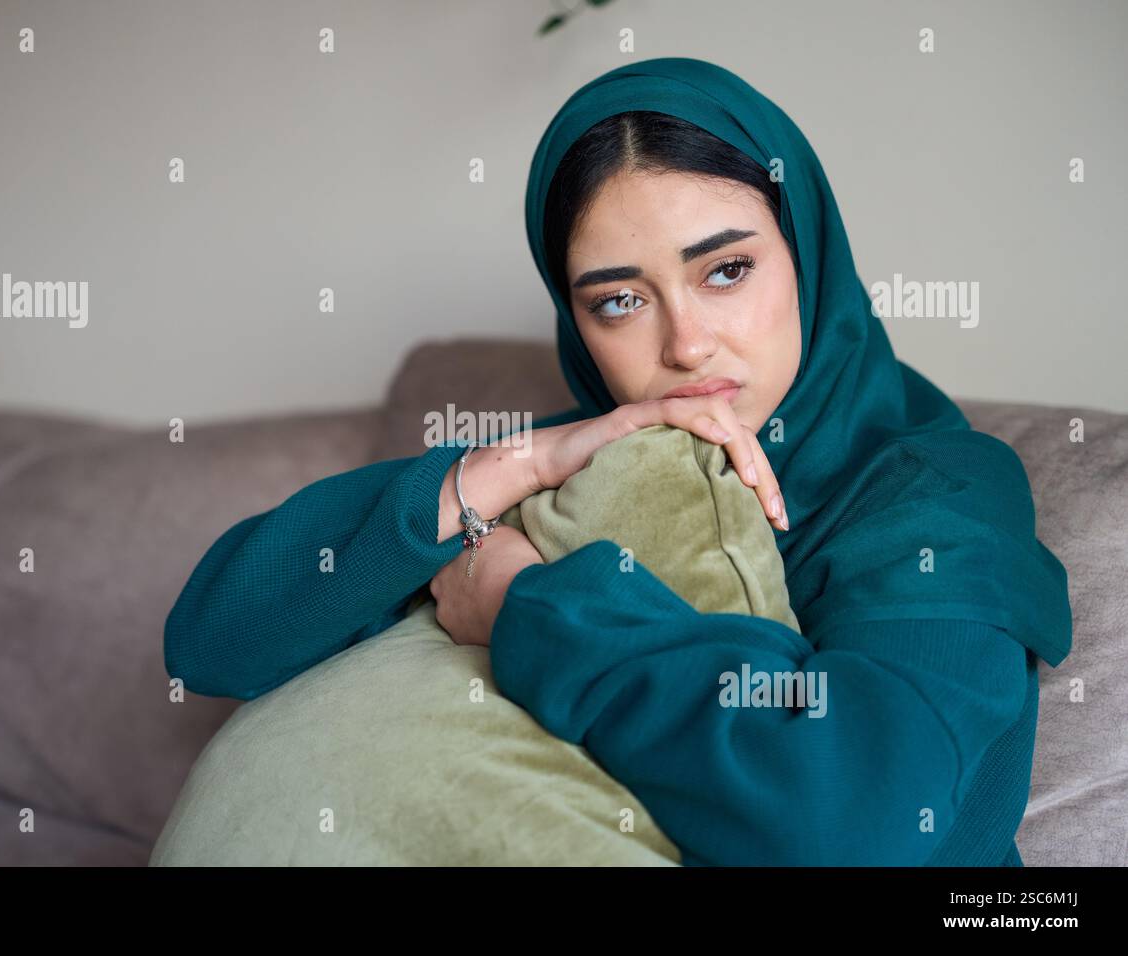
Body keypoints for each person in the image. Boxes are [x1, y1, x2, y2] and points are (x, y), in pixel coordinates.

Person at [164, 57, 1072, 867]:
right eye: (620, 301)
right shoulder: (579, 458)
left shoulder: (939, 494)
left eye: (726, 272)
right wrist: (518, 464)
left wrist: (523, 603)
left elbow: (851, 820)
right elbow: (212, 640)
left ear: (807, 255)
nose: (686, 346)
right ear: (575, 322)